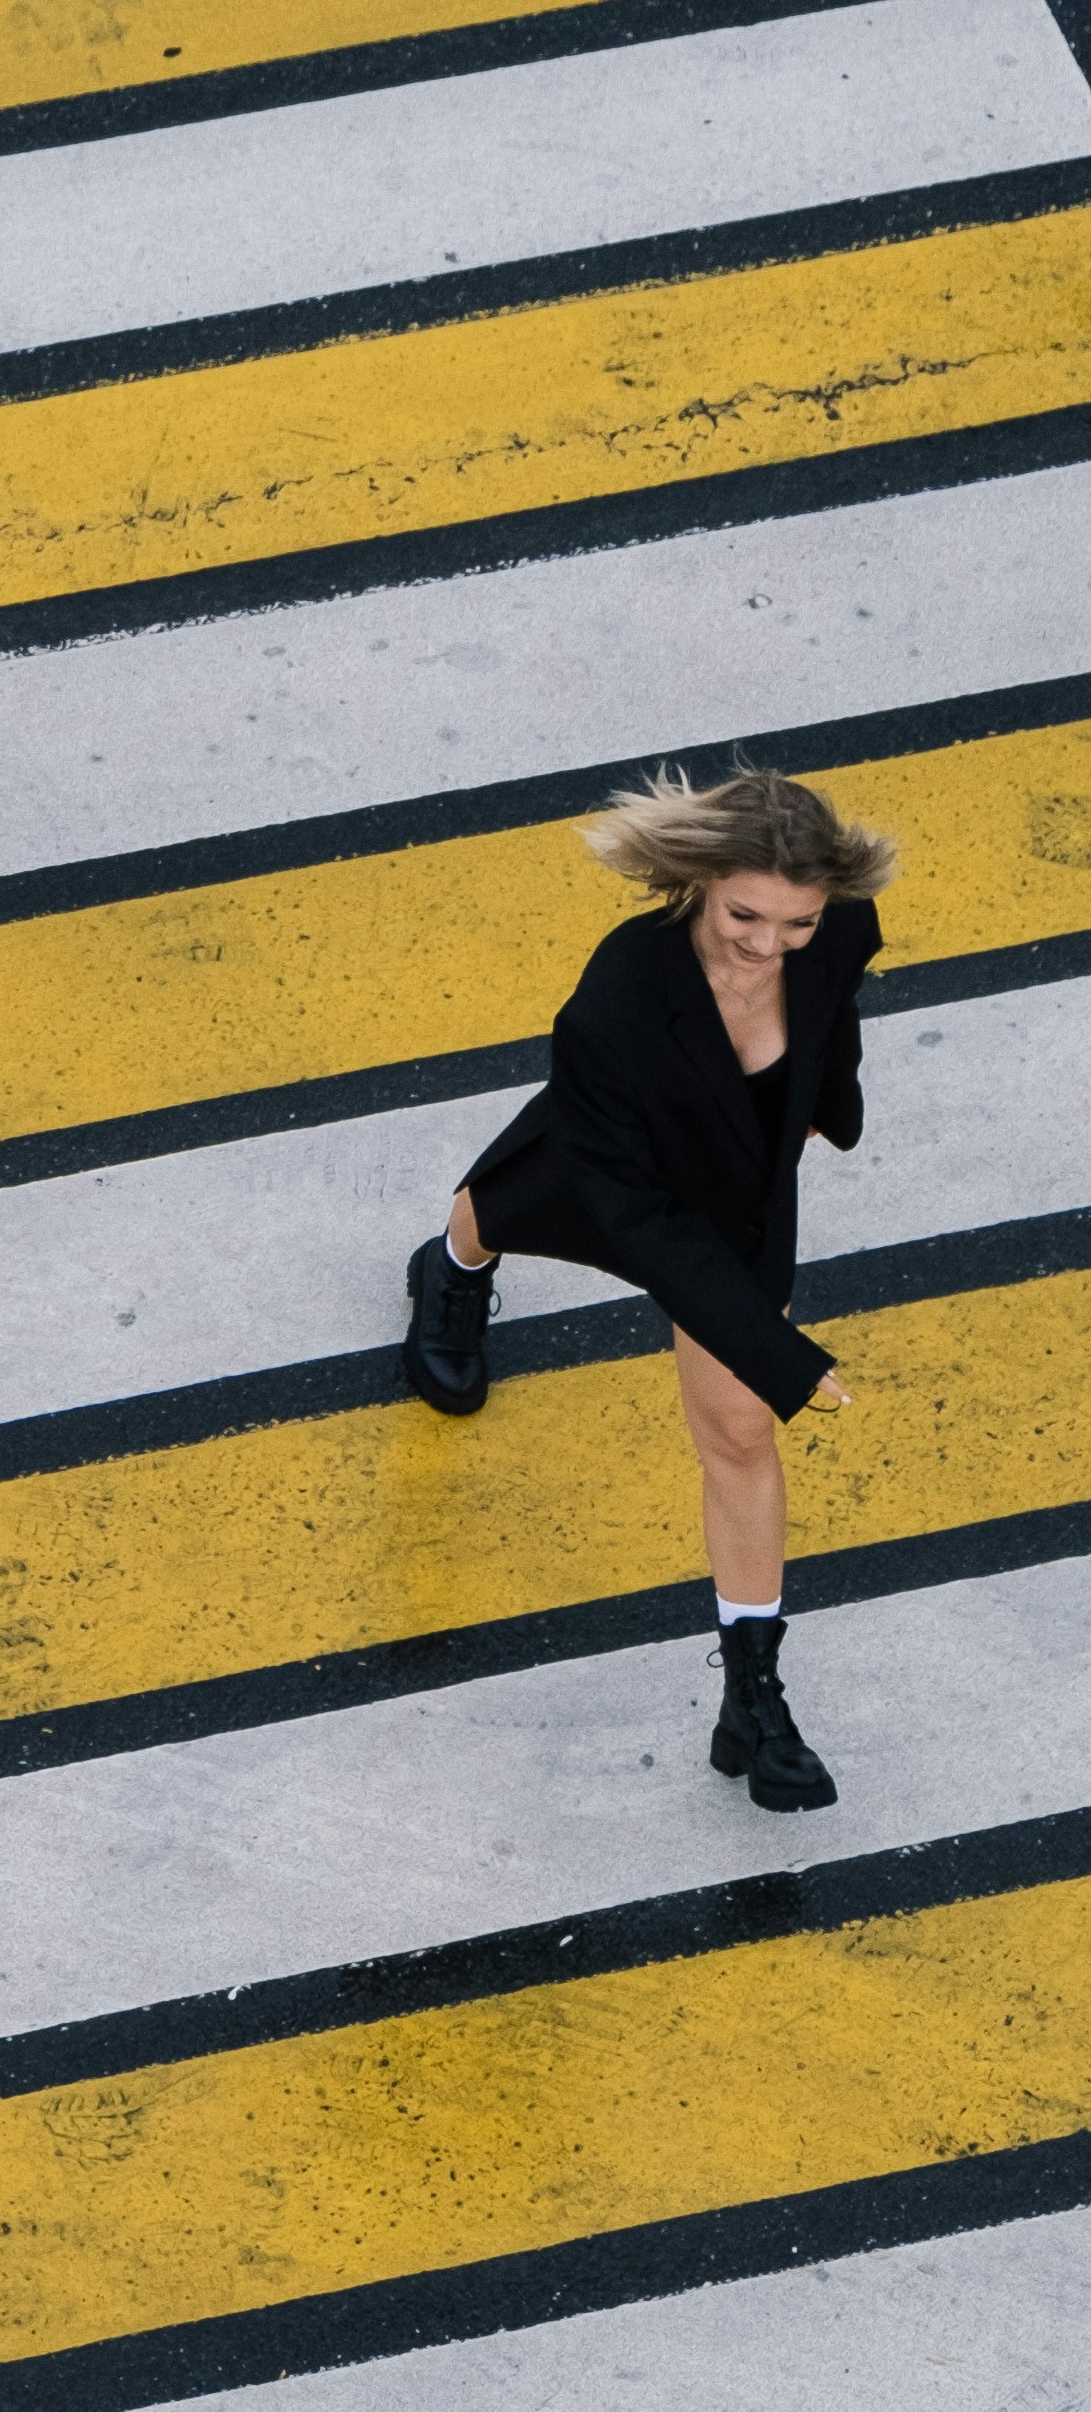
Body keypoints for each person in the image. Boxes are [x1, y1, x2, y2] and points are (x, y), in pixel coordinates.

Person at [398, 763, 894, 1812]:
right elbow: (631, 1217)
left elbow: (833, 1007)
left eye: (793, 922)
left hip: (738, 1196)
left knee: (738, 1436)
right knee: (500, 1207)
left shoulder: (838, 929)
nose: (767, 943)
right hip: (620, 1168)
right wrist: (776, 1354)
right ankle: (449, 1269)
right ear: (697, 884)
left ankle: (750, 1693)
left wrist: (824, 1105)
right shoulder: (616, 1002)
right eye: (744, 915)